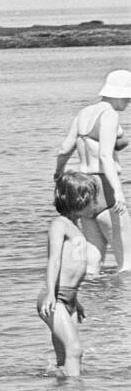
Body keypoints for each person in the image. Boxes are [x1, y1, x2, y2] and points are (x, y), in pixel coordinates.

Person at [53, 69, 131, 274]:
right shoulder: (109, 114)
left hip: (83, 189)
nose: (129, 101)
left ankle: (94, 303)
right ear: (118, 94)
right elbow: (105, 157)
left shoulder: (84, 113)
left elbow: (64, 150)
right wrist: (119, 193)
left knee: (92, 261)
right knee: (127, 264)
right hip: (104, 187)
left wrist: (58, 175)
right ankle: (123, 305)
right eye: (128, 97)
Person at [37, 172, 101, 376]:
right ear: (79, 200)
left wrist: (76, 301)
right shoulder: (59, 225)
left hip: (70, 299)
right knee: (75, 349)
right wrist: (49, 295)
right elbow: (53, 260)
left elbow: (70, 268)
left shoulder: (75, 226)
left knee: (65, 357)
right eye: (93, 199)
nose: (96, 203)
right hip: (55, 299)